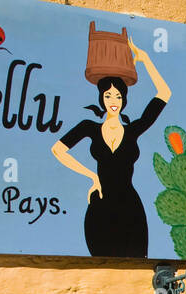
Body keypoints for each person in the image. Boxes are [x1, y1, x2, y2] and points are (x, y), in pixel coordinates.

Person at [51, 37, 171, 258]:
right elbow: (58, 149)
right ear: (101, 99)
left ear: (124, 99)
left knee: (135, 261)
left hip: (130, 207)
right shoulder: (90, 127)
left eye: (117, 95)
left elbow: (164, 94)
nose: (113, 100)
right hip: (102, 207)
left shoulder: (133, 129)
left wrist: (145, 59)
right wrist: (92, 177)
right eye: (108, 95)